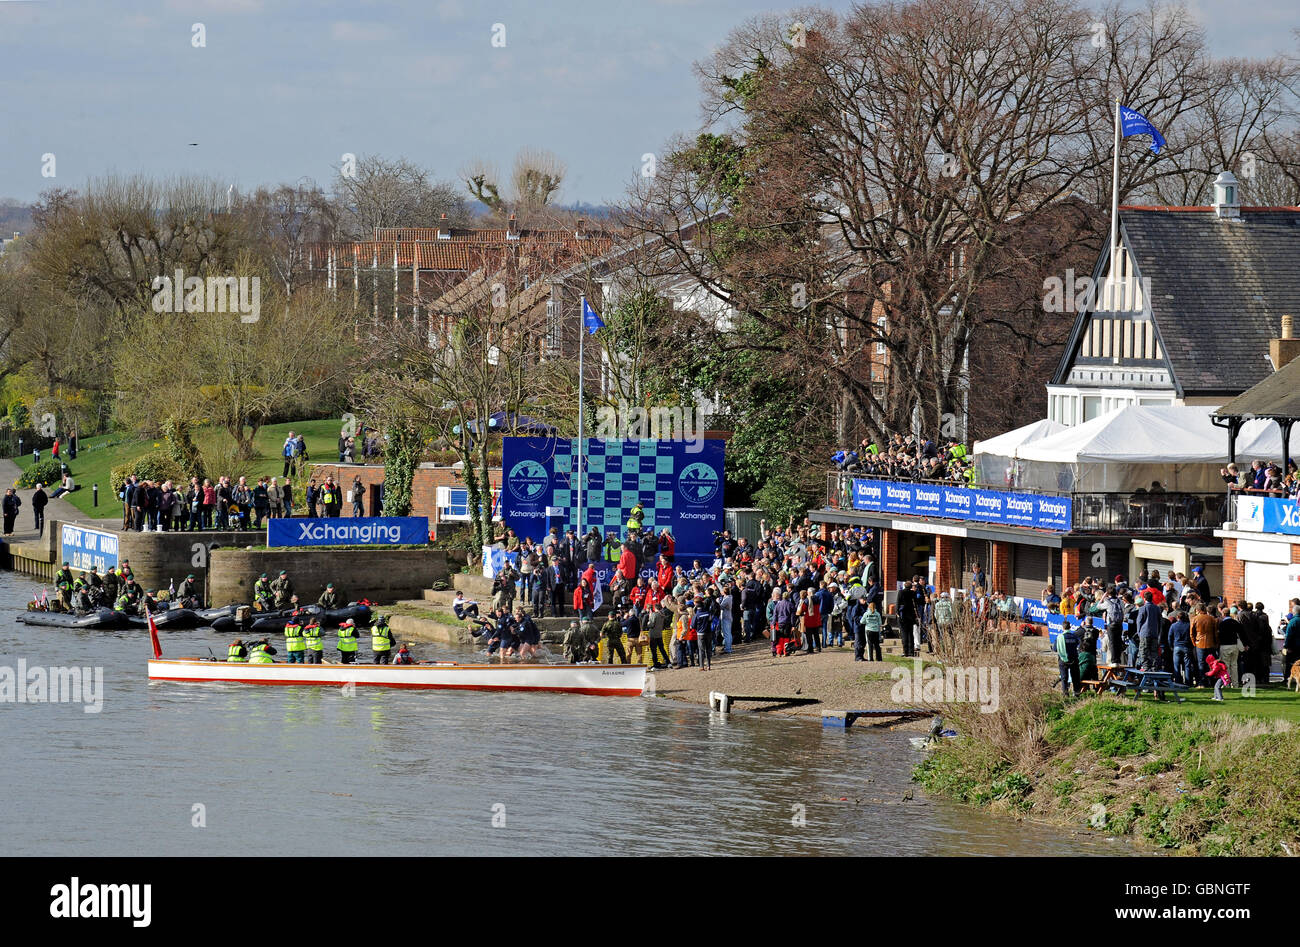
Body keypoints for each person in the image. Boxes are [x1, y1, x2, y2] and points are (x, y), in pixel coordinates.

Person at [1055, 625, 1081, 696]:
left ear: (1063, 628)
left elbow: (1055, 649)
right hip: (1074, 659)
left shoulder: (1059, 637)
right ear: (1069, 627)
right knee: (1075, 677)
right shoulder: (1074, 636)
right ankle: (1077, 693)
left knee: (1064, 678)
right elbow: (1079, 644)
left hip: (1063, 660)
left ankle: (1065, 694)